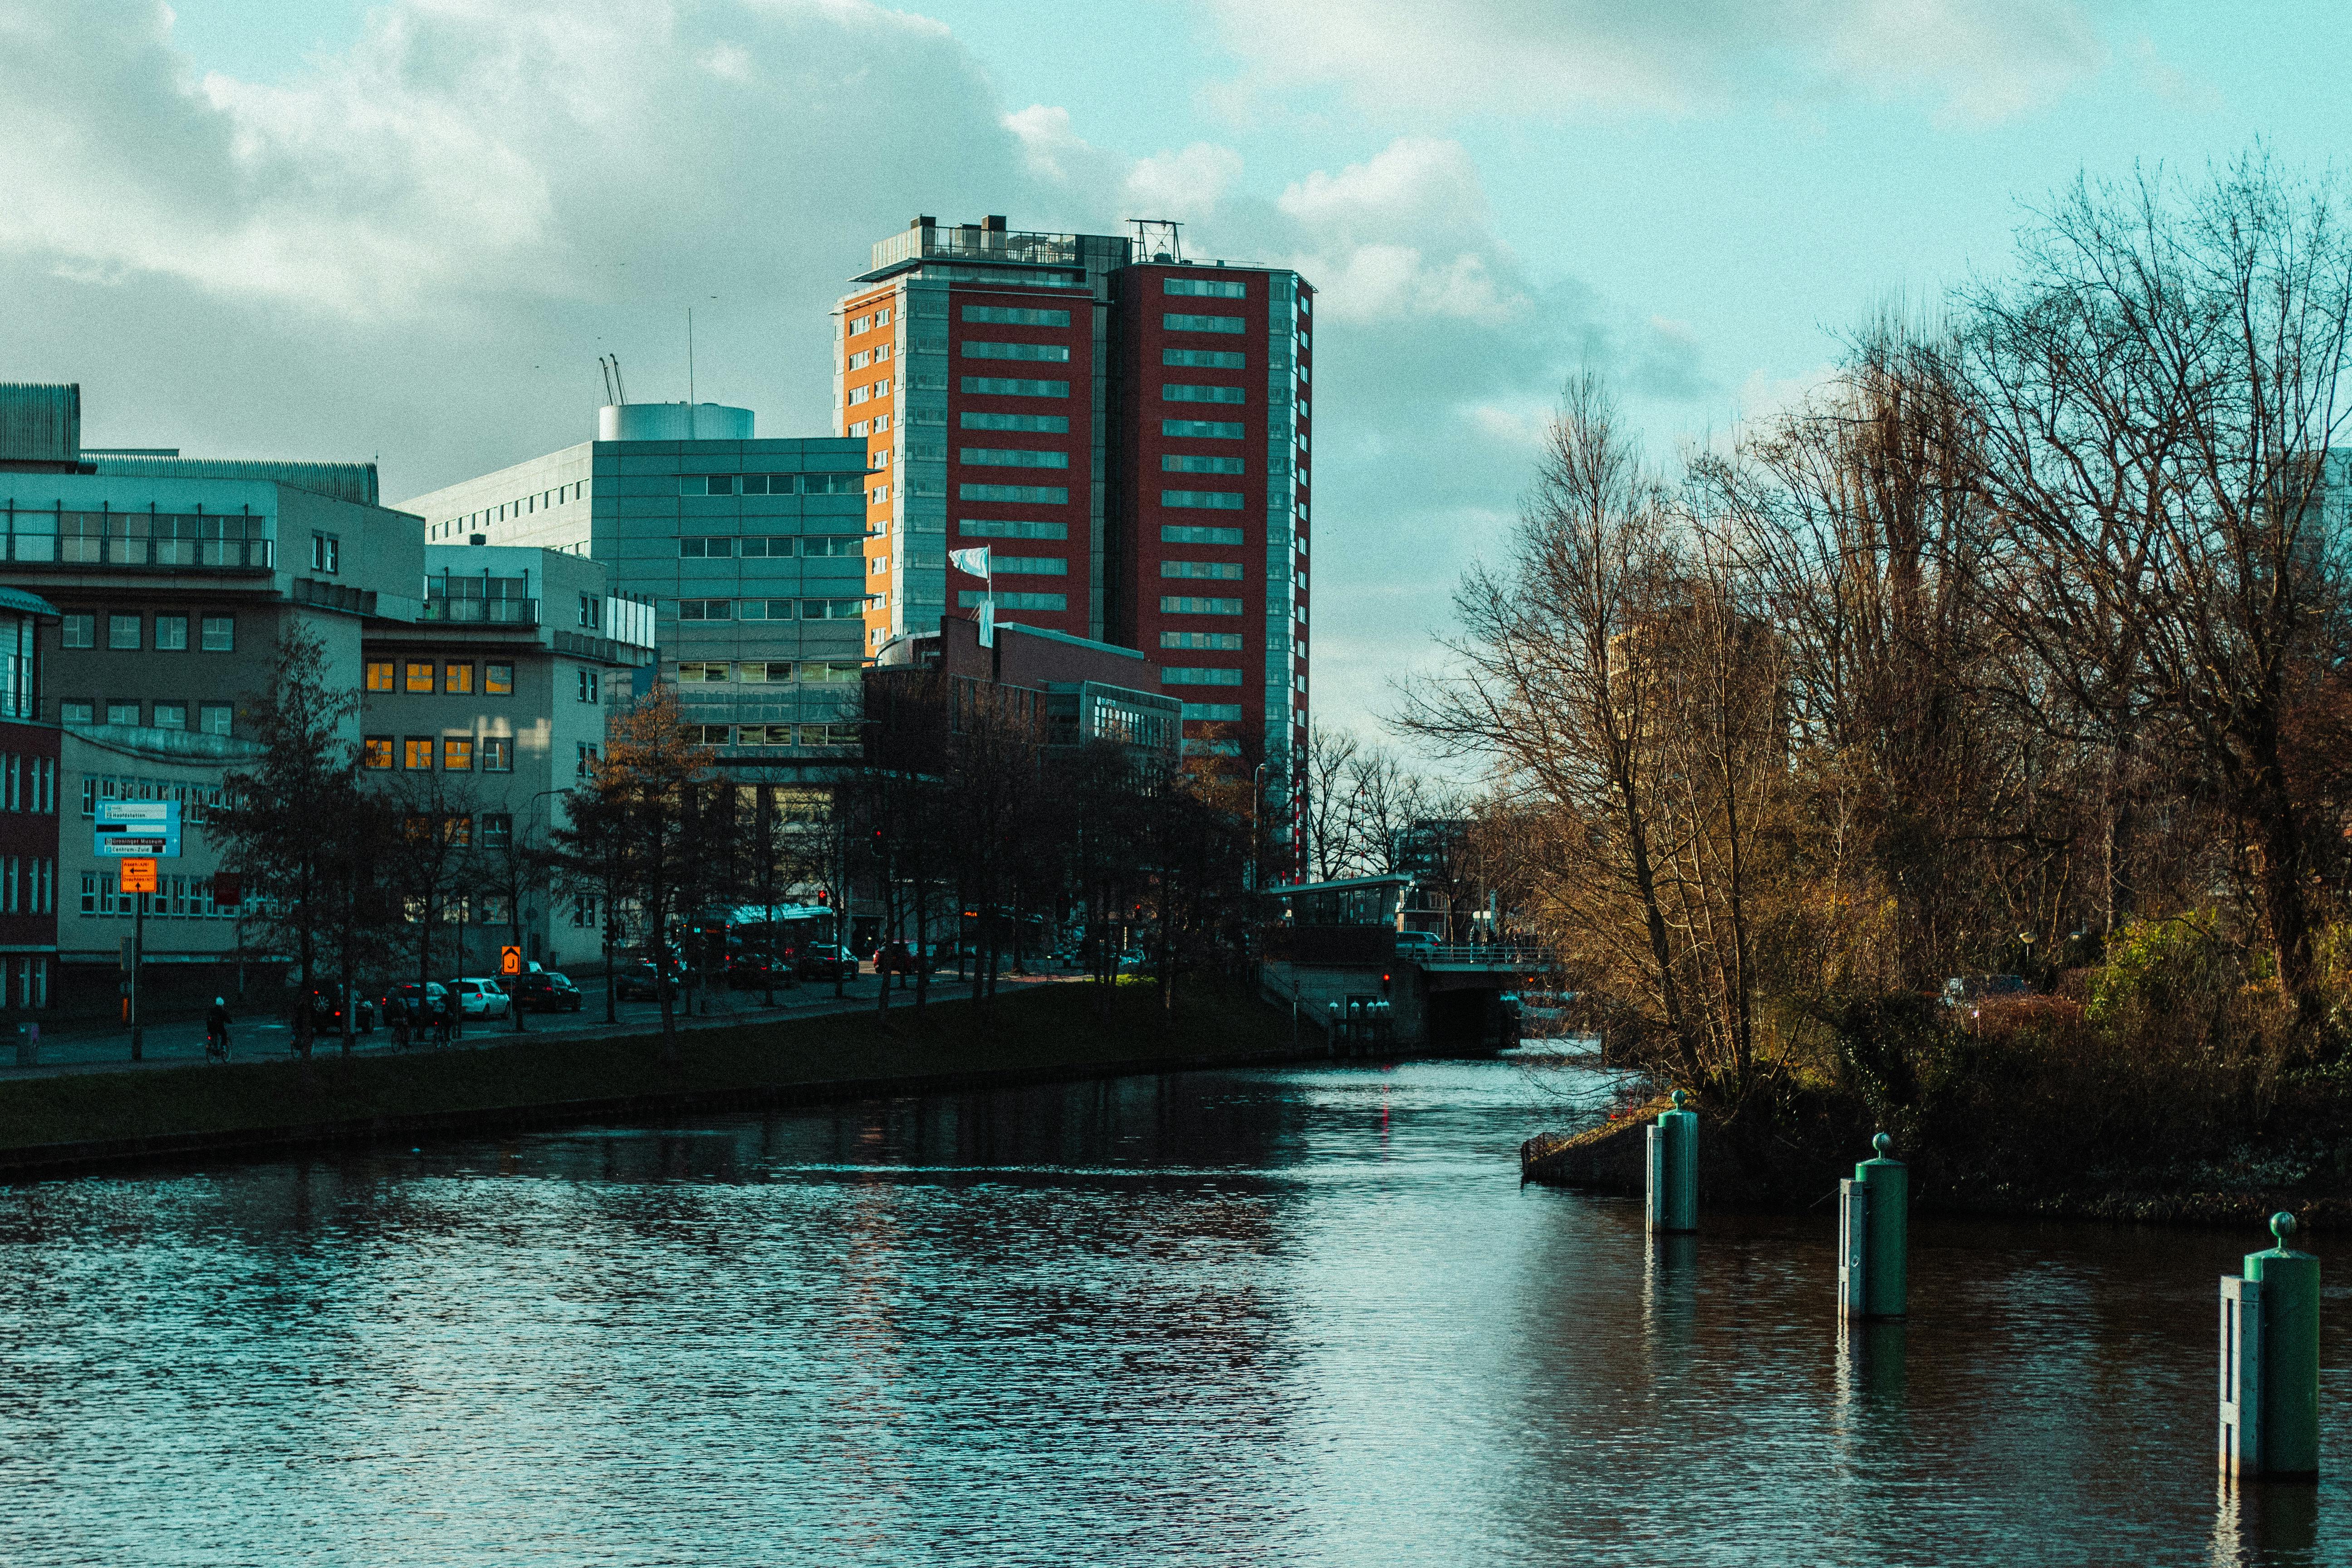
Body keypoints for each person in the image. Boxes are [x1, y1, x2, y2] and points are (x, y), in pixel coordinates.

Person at [205, 996, 231, 1061]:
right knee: (224, 1034)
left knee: (213, 1036)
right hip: (219, 1027)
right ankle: (223, 1047)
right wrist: (231, 1021)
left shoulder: (212, 1010)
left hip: (210, 1027)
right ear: (222, 1004)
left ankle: (213, 1048)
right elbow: (227, 1019)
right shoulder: (222, 1011)